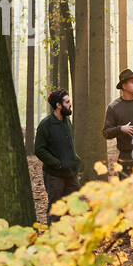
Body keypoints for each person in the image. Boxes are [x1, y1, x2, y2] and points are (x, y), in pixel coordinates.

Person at [34, 88, 80, 223]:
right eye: (67, 102)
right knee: (55, 208)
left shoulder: (67, 122)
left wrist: (75, 160)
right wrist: (57, 163)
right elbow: (39, 150)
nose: (70, 104)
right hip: (54, 175)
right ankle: (53, 239)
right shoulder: (45, 125)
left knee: (75, 205)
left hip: (71, 173)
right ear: (58, 105)